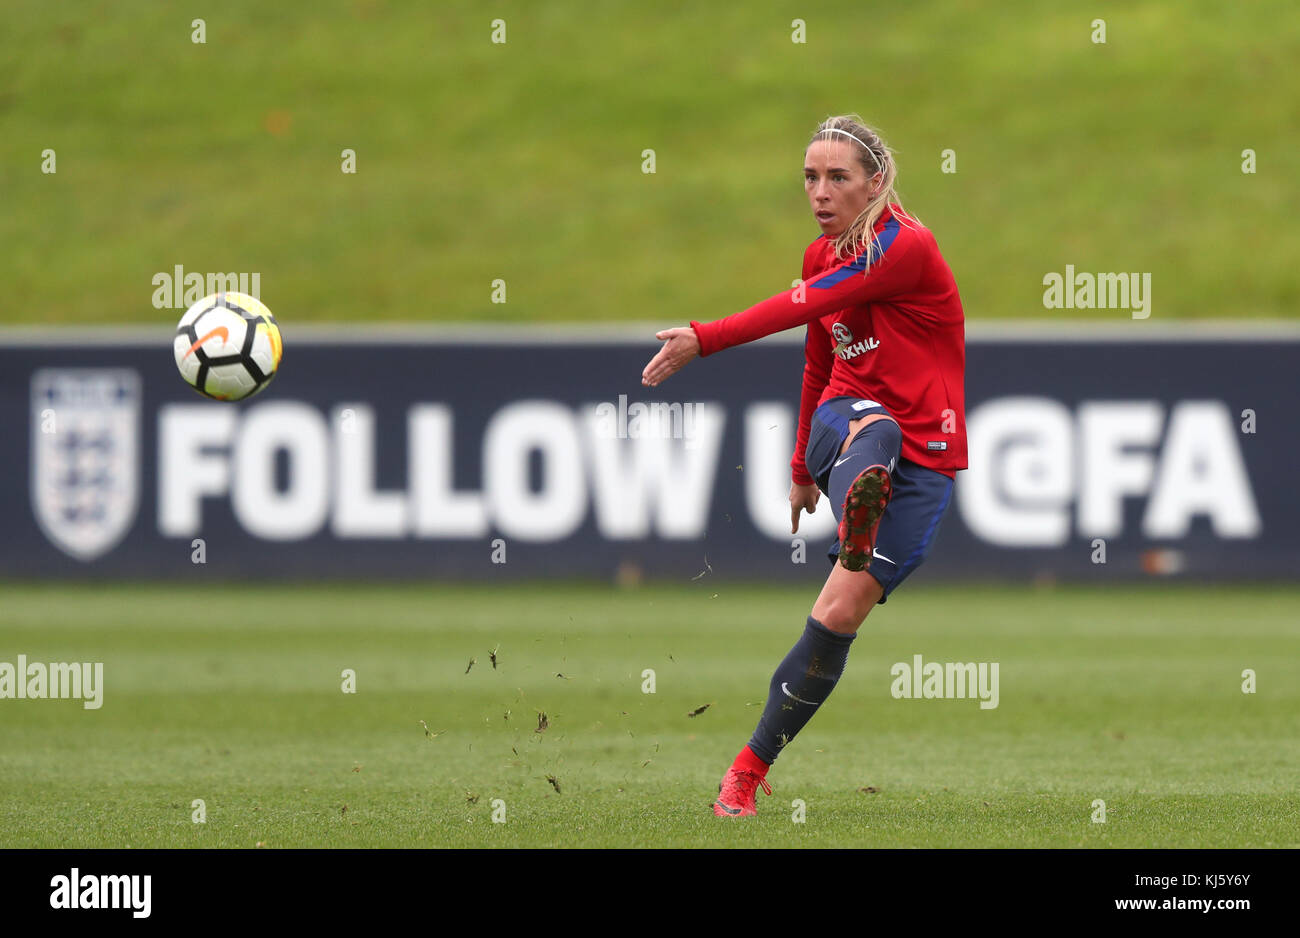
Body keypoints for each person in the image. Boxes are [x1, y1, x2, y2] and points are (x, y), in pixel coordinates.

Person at [640, 115, 968, 817]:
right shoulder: (823, 254)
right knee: (871, 426)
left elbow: (806, 308)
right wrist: (798, 466)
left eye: (837, 177)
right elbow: (820, 359)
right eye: (810, 178)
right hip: (848, 425)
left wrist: (706, 337)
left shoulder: (906, 246)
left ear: (875, 183)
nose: (820, 192)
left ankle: (747, 770)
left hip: (928, 459)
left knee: (838, 614)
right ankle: (860, 496)